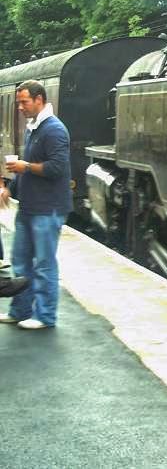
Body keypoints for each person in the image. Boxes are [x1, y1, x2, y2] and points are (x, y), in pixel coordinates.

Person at [0, 80, 72, 329]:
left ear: (39, 99)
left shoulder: (54, 130)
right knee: (20, 261)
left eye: (24, 102)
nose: (20, 107)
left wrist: (25, 167)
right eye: (18, 102)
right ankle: (19, 310)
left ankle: (45, 316)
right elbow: (29, 167)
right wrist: (10, 189)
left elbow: (56, 168)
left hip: (47, 209)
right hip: (30, 208)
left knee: (44, 264)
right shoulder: (34, 127)